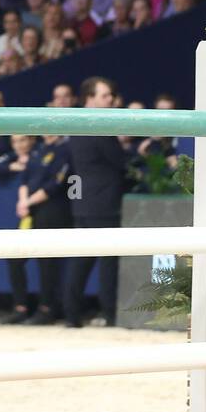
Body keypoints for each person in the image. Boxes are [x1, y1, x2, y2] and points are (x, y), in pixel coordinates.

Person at [65, 76, 132, 327]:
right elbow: (119, 161)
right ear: (89, 98)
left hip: (83, 201)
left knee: (81, 260)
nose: (111, 100)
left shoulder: (75, 123)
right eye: (105, 95)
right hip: (104, 202)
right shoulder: (99, 126)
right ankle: (110, 313)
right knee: (107, 262)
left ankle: (72, 314)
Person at [4, 133, 73, 325]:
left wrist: (27, 201)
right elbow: (25, 179)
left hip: (52, 210)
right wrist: (23, 202)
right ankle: (20, 307)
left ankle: (46, 308)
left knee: (47, 261)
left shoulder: (64, 151)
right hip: (30, 213)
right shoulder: (38, 152)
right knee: (15, 257)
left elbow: (56, 184)